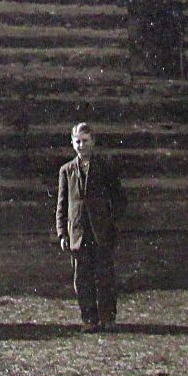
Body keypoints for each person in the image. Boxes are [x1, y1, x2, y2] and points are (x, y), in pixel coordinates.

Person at [56, 122, 127, 332]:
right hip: (78, 232)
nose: (81, 145)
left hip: (101, 231)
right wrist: (62, 232)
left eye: (85, 141)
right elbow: (62, 204)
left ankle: (108, 317)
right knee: (82, 278)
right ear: (72, 143)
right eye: (77, 141)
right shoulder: (66, 171)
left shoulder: (105, 167)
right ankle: (89, 318)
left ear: (93, 142)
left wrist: (112, 222)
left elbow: (119, 198)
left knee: (105, 275)